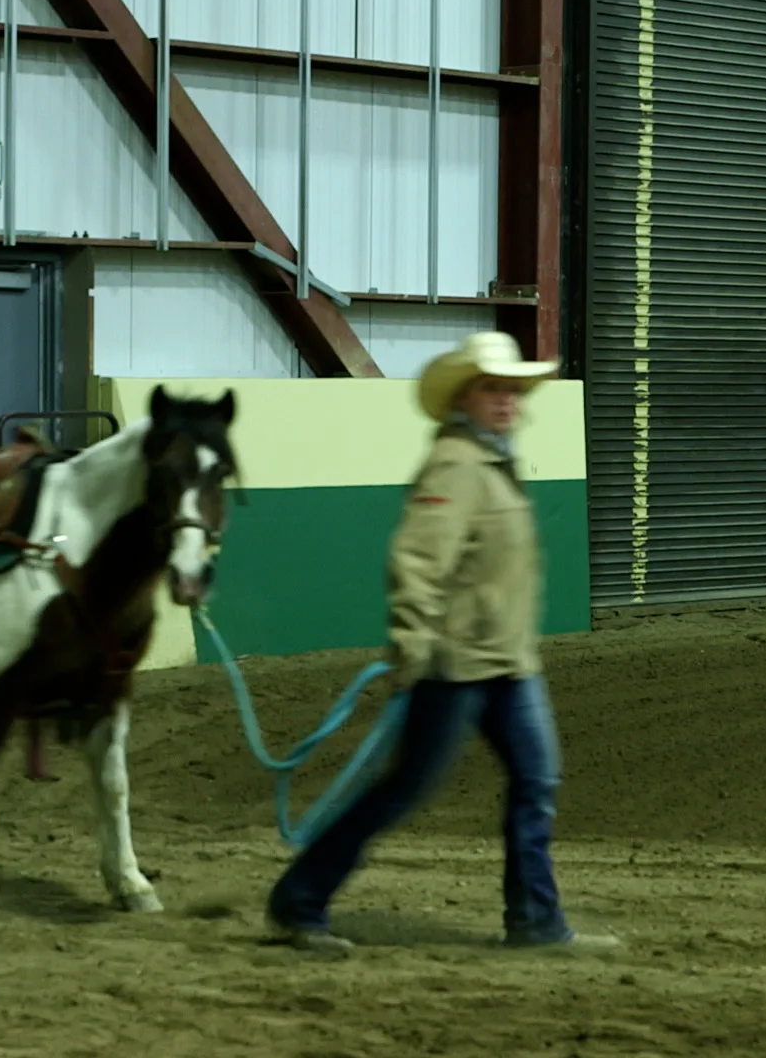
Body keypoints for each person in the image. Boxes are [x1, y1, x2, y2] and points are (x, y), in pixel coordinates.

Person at [263, 331, 620, 955]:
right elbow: (417, 561)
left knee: (537, 782)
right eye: (493, 388)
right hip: (453, 664)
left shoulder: (493, 460)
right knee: (406, 789)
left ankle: (536, 922)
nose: (507, 400)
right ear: (465, 397)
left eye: (513, 389)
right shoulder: (456, 464)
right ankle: (299, 900)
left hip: (509, 662)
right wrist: (410, 643)